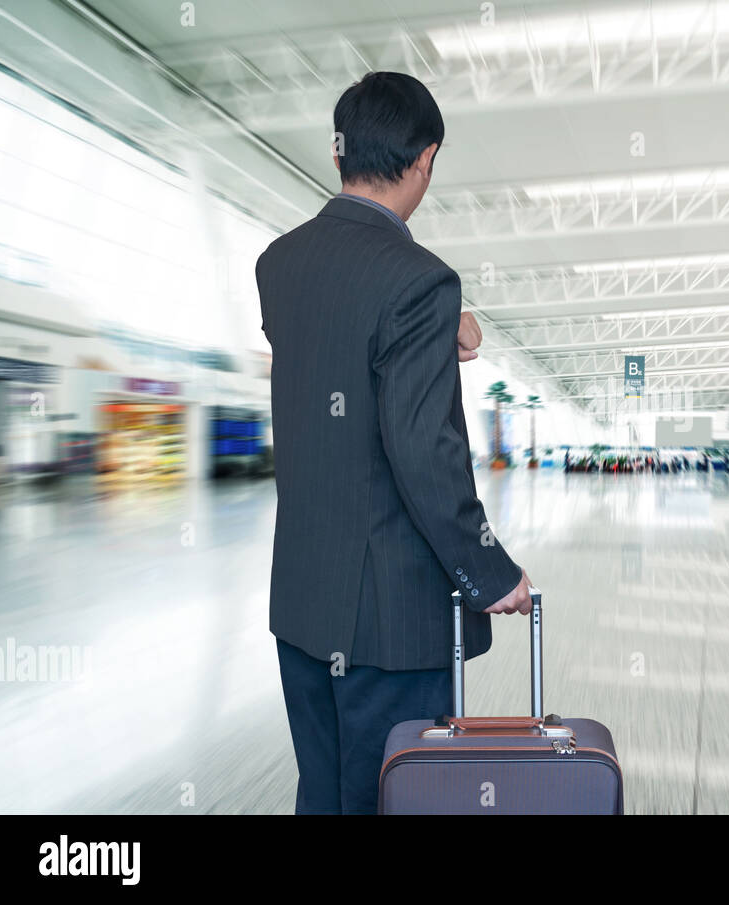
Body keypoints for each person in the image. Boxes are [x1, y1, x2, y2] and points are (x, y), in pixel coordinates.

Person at [255, 71, 533, 814]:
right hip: (392, 621)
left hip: (304, 604)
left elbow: (342, 333)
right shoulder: (421, 280)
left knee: (325, 791)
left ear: (339, 153)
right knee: (396, 794)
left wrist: (446, 324)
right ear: (425, 159)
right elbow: (421, 448)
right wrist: (488, 569)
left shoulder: (277, 266)